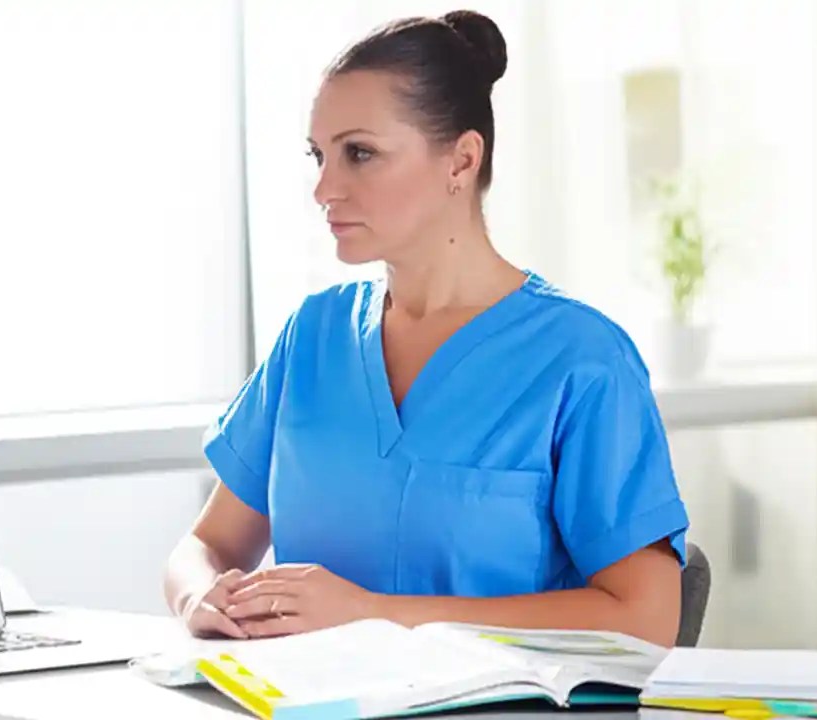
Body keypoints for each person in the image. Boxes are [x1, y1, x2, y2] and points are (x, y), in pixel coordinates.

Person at [162, 10, 689, 647]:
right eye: (319, 156)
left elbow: (645, 618)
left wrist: (375, 612)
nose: (324, 188)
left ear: (462, 161)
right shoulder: (313, 337)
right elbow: (207, 545)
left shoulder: (582, 360)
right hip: (305, 693)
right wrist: (199, 594)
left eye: (360, 154)